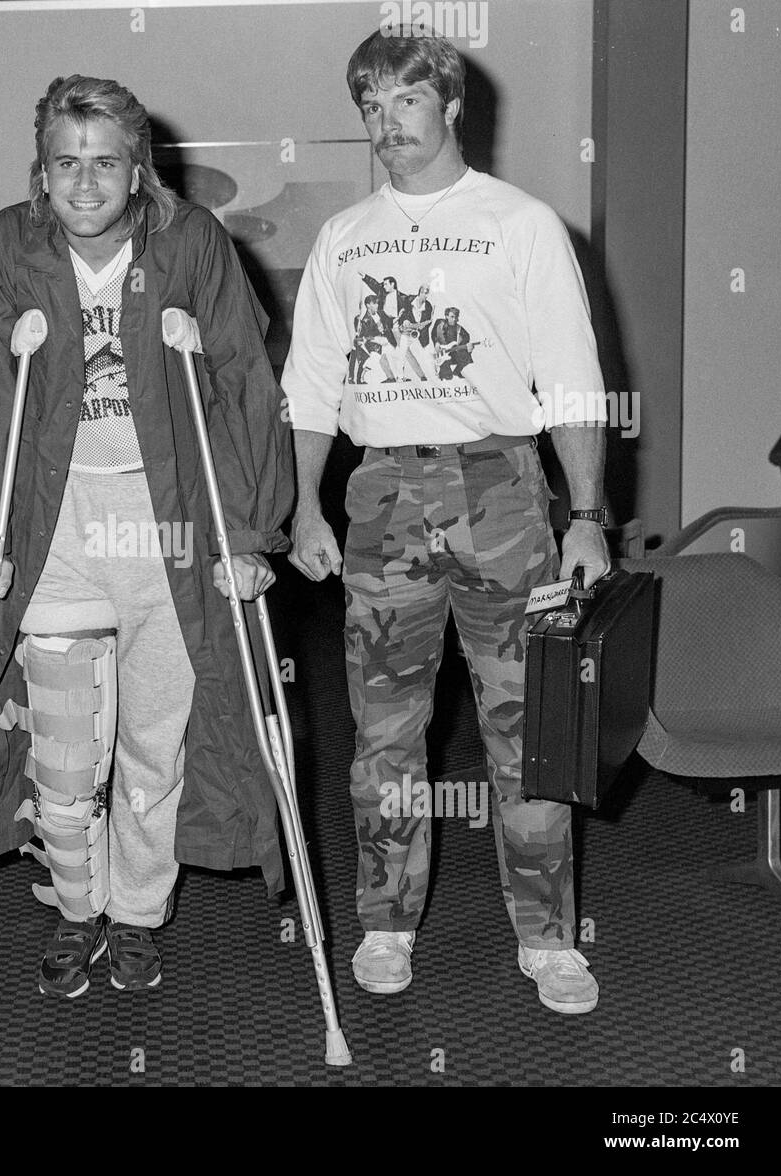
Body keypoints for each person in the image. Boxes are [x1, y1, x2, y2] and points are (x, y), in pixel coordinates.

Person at [0, 74, 293, 999]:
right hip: (56, 529)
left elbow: (245, 380)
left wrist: (245, 531)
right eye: (66, 162)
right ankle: (74, 909)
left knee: (155, 744)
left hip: (166, 528)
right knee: (63, 747)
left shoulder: (190, 242)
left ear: (139, 170)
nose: (85, 183)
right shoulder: (10, 243)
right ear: (41, 171)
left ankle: (133, 915)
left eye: (106, 162)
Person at [282, 27, 610, 1015]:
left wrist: (588, 514)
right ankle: (385, 923)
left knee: (529, 727)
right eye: (370, 109)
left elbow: (570, 380)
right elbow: (309, 390)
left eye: (405, 103)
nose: (386, 125)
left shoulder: (520, 225)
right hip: (384, 495)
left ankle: (548, 938)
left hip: (503, 494)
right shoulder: (346, 239)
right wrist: (303, 504)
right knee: (384, 732)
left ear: (452, 105)